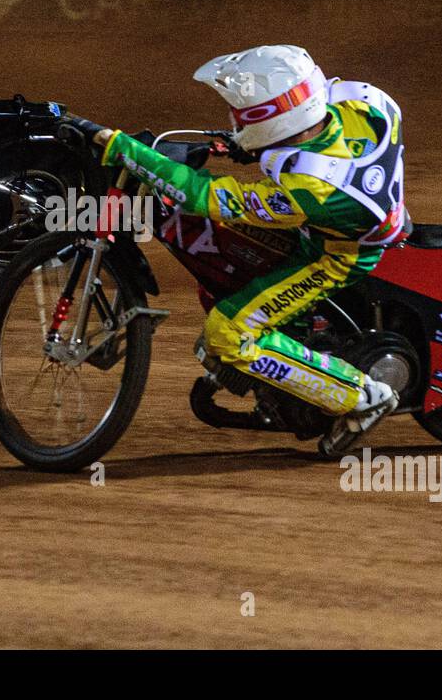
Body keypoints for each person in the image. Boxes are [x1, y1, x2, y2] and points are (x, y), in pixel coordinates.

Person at [90, 45, 406, 444]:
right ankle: (284, 372)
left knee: (227, 332)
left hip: (335, 253)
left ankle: (361, 396)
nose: (235, 118)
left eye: (243, 113)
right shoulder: (363, 101)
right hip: (355, 208)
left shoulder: (306, 186)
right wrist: (252, 144)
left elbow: (202, 196)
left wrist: (123, 149)